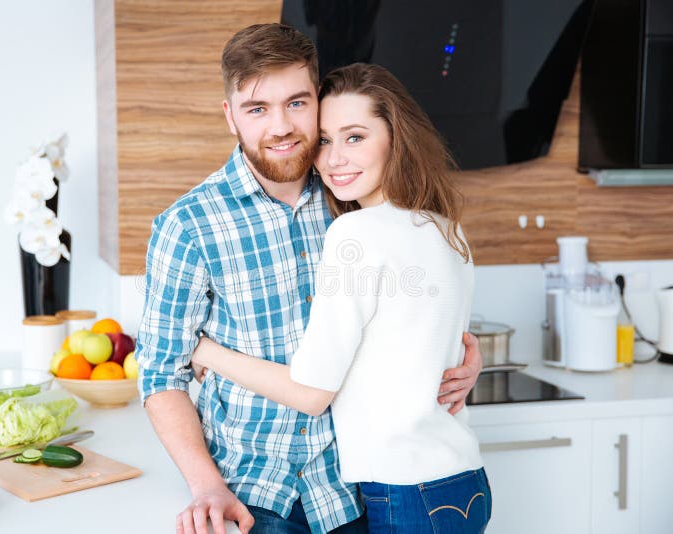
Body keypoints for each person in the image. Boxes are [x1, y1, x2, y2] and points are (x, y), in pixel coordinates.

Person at [135, 24, 483, 534]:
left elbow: (414, 313)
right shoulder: (187, 226)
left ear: (318, 102)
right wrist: (205, 484)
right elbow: (161, 372)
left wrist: (458, 362)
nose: (280, 126)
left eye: (297, 103)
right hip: (256, 495)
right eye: (257, 109)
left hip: (360, 491)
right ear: (230, 116)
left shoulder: (354, 187)